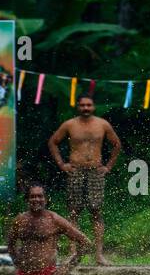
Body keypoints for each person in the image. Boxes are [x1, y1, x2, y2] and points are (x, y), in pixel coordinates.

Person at [47, 96, 122, 265]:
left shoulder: (102, 124)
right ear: (78, 107)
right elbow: (53, 142)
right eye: (82, 105)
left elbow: (117, 144)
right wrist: (61, 164)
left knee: (96, 212)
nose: (86, 108)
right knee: (74, 212)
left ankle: (99, 255)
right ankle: (73, 253)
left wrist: (108, 167)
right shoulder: (69, 124)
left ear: (93, 106)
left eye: (88, 105)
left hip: (96, 171)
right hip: (75, 170)